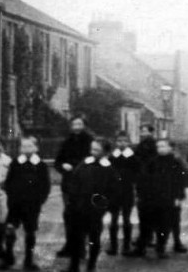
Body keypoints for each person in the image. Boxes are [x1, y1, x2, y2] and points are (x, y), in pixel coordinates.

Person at [64, 138, 119, 272]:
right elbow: (74, 182)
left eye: (96, 150)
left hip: (95, 211)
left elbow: (112, 191)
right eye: (92, 149)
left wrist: (103, 208)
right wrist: (72, 202)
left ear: (105, 152)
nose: (93, 152)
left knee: (94, 238)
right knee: (76, 237)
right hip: (78, 208)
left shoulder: (109, 169)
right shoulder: (84, 164)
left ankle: (91, 266)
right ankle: (74, 266)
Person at [0, 136, 50, 271]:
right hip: (15, 203)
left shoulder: (41, 165)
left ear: (36, 148)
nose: (26, 149)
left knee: (30, 232)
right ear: (20, 148)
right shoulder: (15, 163)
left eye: (29, 146)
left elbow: (45, 186)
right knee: (10, 229)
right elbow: (8, 182)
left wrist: (39, 201)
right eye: (23, 146)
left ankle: (28, 260)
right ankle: (8, 258)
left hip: (32, 205)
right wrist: (11, 198)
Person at [128, 137, 184, 259]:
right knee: (145, 224)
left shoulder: (176, 163)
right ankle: (140, 248)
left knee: (164, 224)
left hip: (167, 198)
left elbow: (180, 182)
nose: (160, 149)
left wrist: (178, 197)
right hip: (150, 198)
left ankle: (161, 248)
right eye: (158, 147)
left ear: (170, 148)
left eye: (163, 146)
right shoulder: (152, 162)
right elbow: (143, 179)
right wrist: (140, 194)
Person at [54, 116, 94, 258]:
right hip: (68, 184)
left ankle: (81, 248)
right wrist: (63, 166)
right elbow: (58, 161)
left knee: (81, 215)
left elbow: (92, 160)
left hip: (84, 184)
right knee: (69, 215)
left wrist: (77, 167)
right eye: (74, 124)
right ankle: (69, 246)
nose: (76, 127)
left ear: (84, 125)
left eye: (79, 124)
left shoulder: (90, 141)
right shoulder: (67, 141)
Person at [106, 131, 137, 256]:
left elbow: (136, 173)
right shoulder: (112, 157)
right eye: (119, 141)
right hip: (114, 192)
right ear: (115, 142)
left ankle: (126, 246)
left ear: (128, 142)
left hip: (127, 191)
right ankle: (113, 246)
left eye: (124, 141)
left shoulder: (133, 157)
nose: (122, 143)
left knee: (126, 219)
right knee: (113, 219)